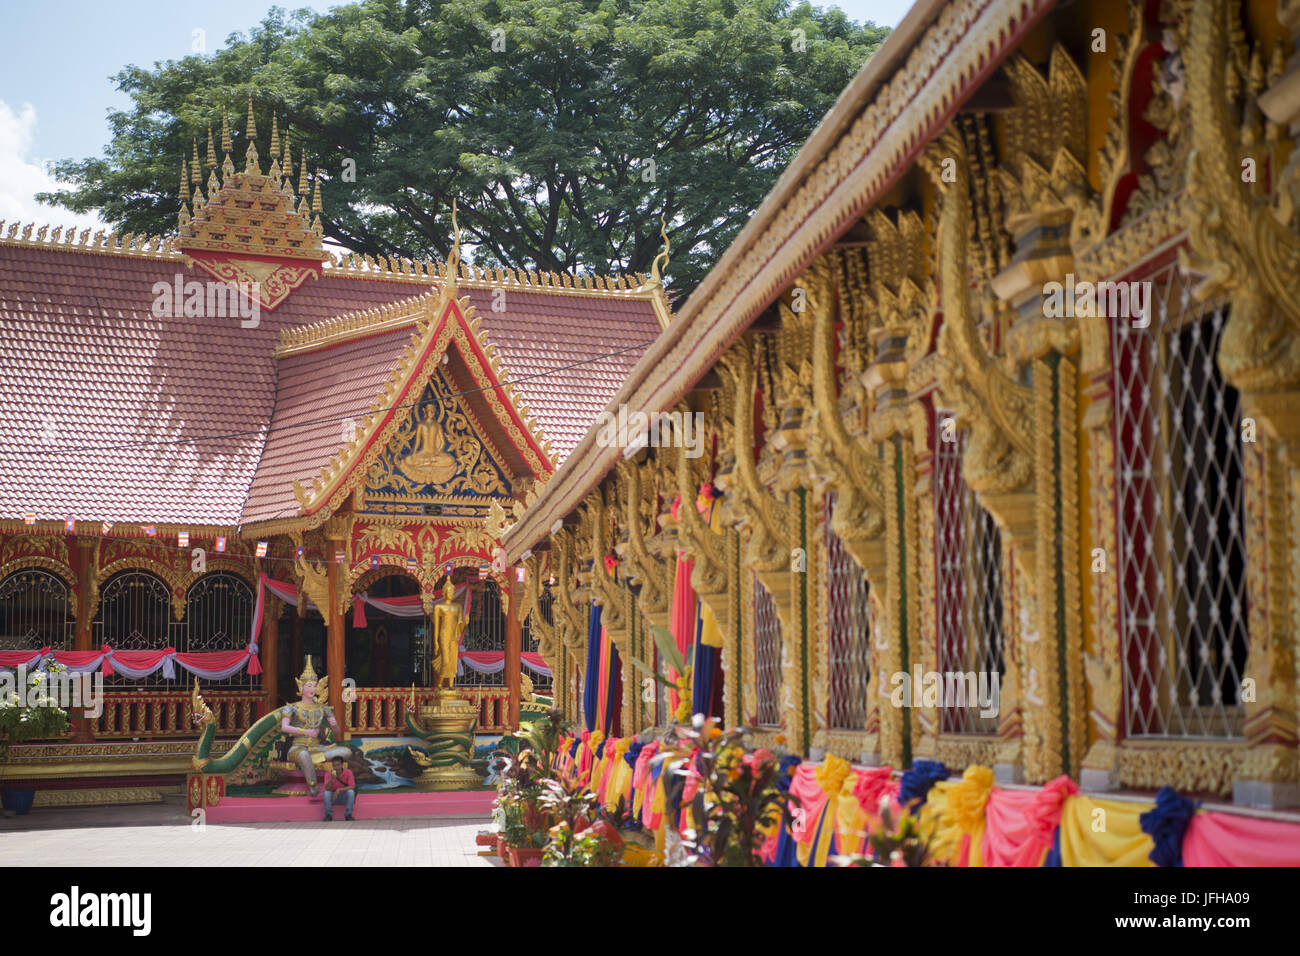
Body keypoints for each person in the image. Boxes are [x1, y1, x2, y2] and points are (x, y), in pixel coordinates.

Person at [279, 658, 349, 798]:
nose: (312, 689)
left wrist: (334, 726)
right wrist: (306, 731)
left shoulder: (323, 708)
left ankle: (315, 759)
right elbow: (284, 727)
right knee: (304, 755)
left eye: (315, 686)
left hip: (318, 748)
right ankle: (313, 786)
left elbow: (336, 731)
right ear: (301, 687)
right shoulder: (292, 707)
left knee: (345, 751)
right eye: (309, 685)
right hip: (298, 747)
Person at [323, 755, 356, 822]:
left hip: (344, 797)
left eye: (338, 765)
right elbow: (327, 788)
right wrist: (331, 779)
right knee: (326, 793)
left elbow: (352, 786)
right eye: (334, 765)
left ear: (342, 765)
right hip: (333, 798)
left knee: (351, 792)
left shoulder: (348, 772)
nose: (336, 767)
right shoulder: (329, 773)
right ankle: (329, 815)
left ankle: (348, 815)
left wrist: (339, 790)